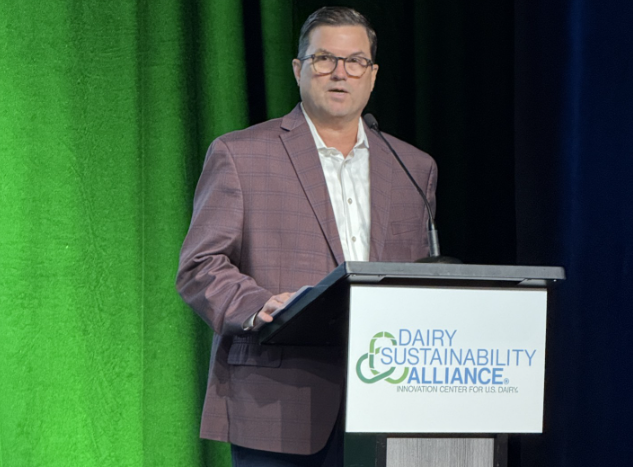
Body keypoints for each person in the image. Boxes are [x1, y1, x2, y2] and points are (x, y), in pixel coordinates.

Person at [176, 6, 437, 467]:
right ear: (298, 70)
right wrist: (259, 306)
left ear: (372, 76)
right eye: (324, 59)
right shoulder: (240, 154)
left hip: (388, 401)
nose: (340, 72)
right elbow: (200, 267)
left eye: (355, 61)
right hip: (278, 403)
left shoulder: (413, 168)